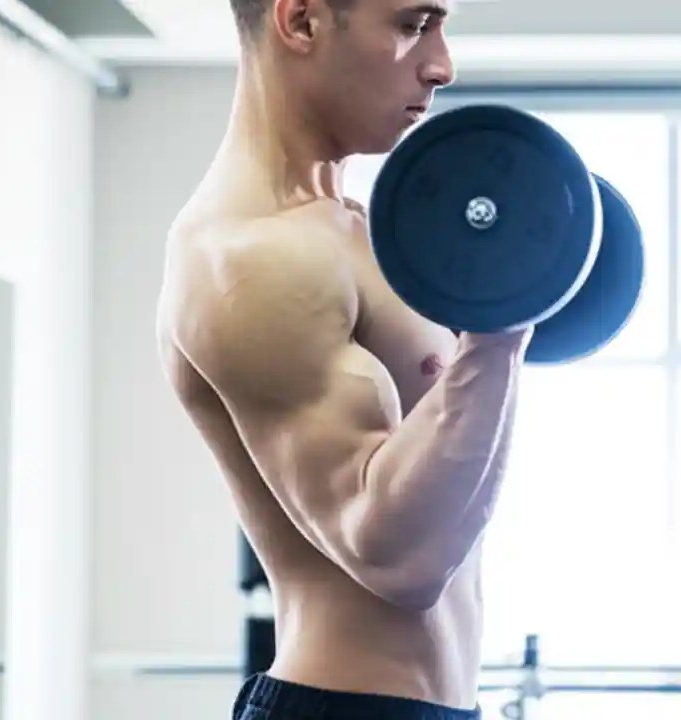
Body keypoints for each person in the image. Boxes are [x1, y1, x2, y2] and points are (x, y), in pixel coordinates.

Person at [155, 0, 533, 717]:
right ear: (300, 22)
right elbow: (395, 557)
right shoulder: (252, 257)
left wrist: (509, 325)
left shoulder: (352, 232)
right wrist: (500, 332)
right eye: (412, 25)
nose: (442, 65)